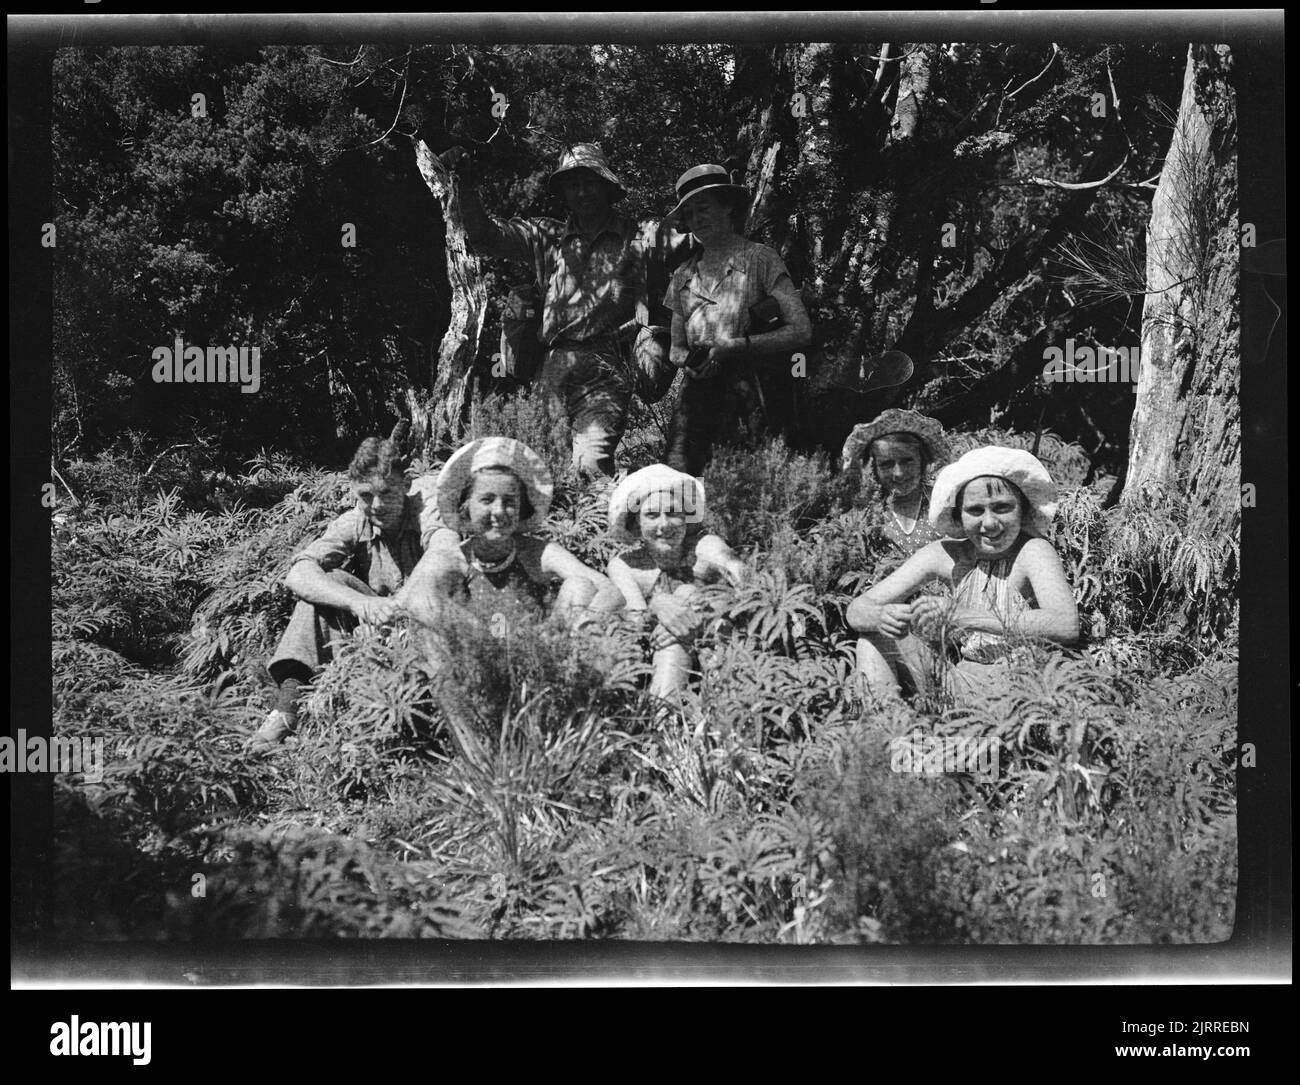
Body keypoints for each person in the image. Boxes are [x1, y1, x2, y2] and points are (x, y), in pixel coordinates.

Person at [446, 142, 678, 478]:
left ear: (607, 185)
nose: (581, 192)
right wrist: (465, 185)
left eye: (589, 182)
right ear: (563, 192)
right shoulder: (545, 235)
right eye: (572, 184)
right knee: (542, 463)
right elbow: (485, 237)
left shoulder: (640, 235)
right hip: (552, 365)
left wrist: (710, 198)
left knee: (591, 464)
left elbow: (694, 236)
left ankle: (597, 526)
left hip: (607, 367)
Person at [250, 428, 445, 749]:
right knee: (331, 581)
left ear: (407, 484)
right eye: (366, 495)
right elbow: (299, 572)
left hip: (431, 622)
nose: (377, 505)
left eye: (387, 493)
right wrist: (358, 604)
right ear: (354, 491)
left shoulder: (427, 508)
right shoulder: (356, 520)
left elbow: (443, 553)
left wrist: (404, 603)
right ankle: (286, 712)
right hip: (380, 628)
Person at [846, 447, 1079, 701]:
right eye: (975, 511)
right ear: (958, 515)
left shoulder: (1033, 551)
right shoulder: (946, 554)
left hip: (1020, 691)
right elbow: (857, 609)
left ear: (1022, 510)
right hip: (954, 685)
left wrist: (962, 616)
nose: (989, 523)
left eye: (1002, 508)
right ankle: (885, 728)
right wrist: (883, 616)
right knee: (872, 637)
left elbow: (1065, 624)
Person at [661, 163, 812, 475]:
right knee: (682, 480)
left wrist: (736, 345)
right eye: (689, 214)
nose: (696, 219)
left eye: (703, 208)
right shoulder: (682, 275)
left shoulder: (760, 259)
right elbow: (675, 347)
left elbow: (800, 332)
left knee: (752, 480)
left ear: (728, 208)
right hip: (697, 395)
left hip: (755, 390)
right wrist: (689, 361)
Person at [404, 437, 622, 633]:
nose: (499, 512)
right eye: (487, 500)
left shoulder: (536, 553)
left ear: (521, 508)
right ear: (466, 507)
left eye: (509, 502)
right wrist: (483, 636)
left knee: (580, 585)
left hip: (538, 654)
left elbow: (609, 589)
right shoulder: (455, 558)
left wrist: (584, 622)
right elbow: (417, 600)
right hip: (475, 660)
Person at [605, 464, 749, 699]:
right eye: (652, 515)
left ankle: (727, 715)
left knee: (688, 594)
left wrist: (702, 616)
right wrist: (657, 607)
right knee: (671, 636)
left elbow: (749, 586)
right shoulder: (625, 565)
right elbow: (635, 624)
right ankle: (666, 724)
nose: (664, 524)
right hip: (661, 654)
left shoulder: (706, 548)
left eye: (673, 513)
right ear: (637, 524)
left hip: (720, 644)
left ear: (685, 517)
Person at [841, 408, 951, 556]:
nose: (899, 473)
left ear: (922, 461)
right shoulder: (864, 517)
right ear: (873, 469)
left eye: (907, 461)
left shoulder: (945, 502)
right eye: (887, 464)